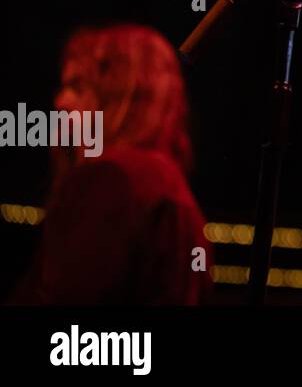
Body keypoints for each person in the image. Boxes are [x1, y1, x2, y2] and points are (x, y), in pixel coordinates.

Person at [11, 23, 213, 305]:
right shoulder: (169, 188)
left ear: (123, 97)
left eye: (77, 86)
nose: (60, 102)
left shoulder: (109, 181)